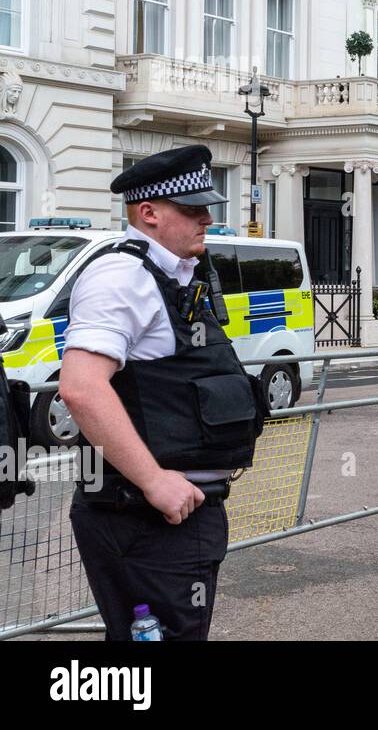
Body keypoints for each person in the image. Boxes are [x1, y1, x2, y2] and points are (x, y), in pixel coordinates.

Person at [60, 145, 264, 640]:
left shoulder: (178, 274)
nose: (208, 219)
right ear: (148, 213)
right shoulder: (123, 275)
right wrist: (154, 480)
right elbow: (82, 389)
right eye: (193, 209)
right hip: (145, 514)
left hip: (173, 511)